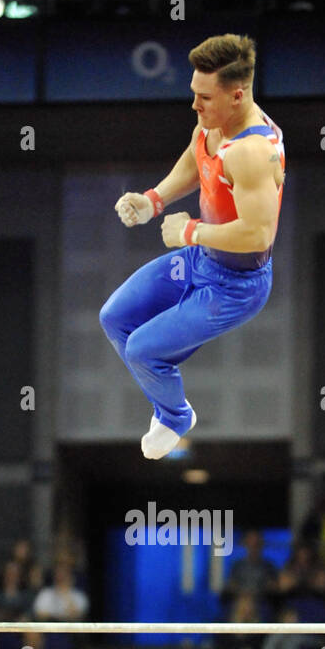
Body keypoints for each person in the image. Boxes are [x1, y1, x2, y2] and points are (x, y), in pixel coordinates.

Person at [102, 33, 285, 459]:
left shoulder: (252, 153)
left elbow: (260, 234)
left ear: (236, 95)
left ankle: (176, 415)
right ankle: (164, 383)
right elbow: (194, 159)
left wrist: (192, 232)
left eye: (204, 97)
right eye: (193, 94)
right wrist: (153, 200)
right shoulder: (212, 126)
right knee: (115, 318)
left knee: (143, 349)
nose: (194, 105)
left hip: (237, 286)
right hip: (200, 261)